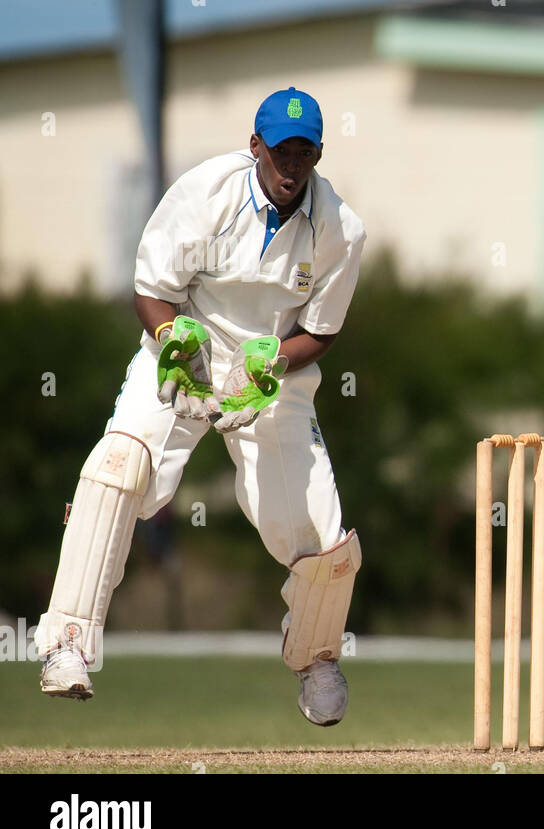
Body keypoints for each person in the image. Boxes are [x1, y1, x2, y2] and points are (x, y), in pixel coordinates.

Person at [33, 87, 366, 726]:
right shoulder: (204, 194)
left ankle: (318, 657)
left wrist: (272, 362)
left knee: (321, 534)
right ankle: (68, 644)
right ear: (255, 147)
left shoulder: (341, 229)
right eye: (281, 151)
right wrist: (170, 337)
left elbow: (322, 330)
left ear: (318, 153)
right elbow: (151, 291)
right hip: (183, 352)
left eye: (305, 151)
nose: (292, 166)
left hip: (273, 371)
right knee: (118, 468)